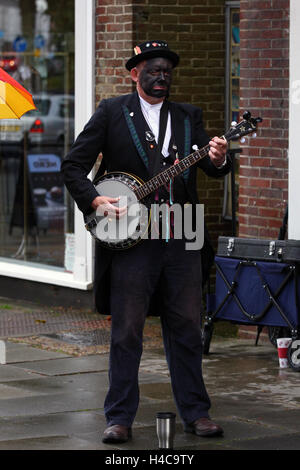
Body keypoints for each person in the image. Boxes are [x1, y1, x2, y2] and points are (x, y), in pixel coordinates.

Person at [61, 40, 231, 444]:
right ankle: (118, 417)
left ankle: (196, 413)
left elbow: (210, 166)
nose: (161, 77)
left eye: (167, 71)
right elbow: (73, 166)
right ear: (134, 73)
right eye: (152, 70)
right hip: (133, 239)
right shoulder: (111, 112)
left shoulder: (189, 116)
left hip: (182, 232)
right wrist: (95, 199)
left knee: (188, 327)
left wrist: (220, 156)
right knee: (126, 331)